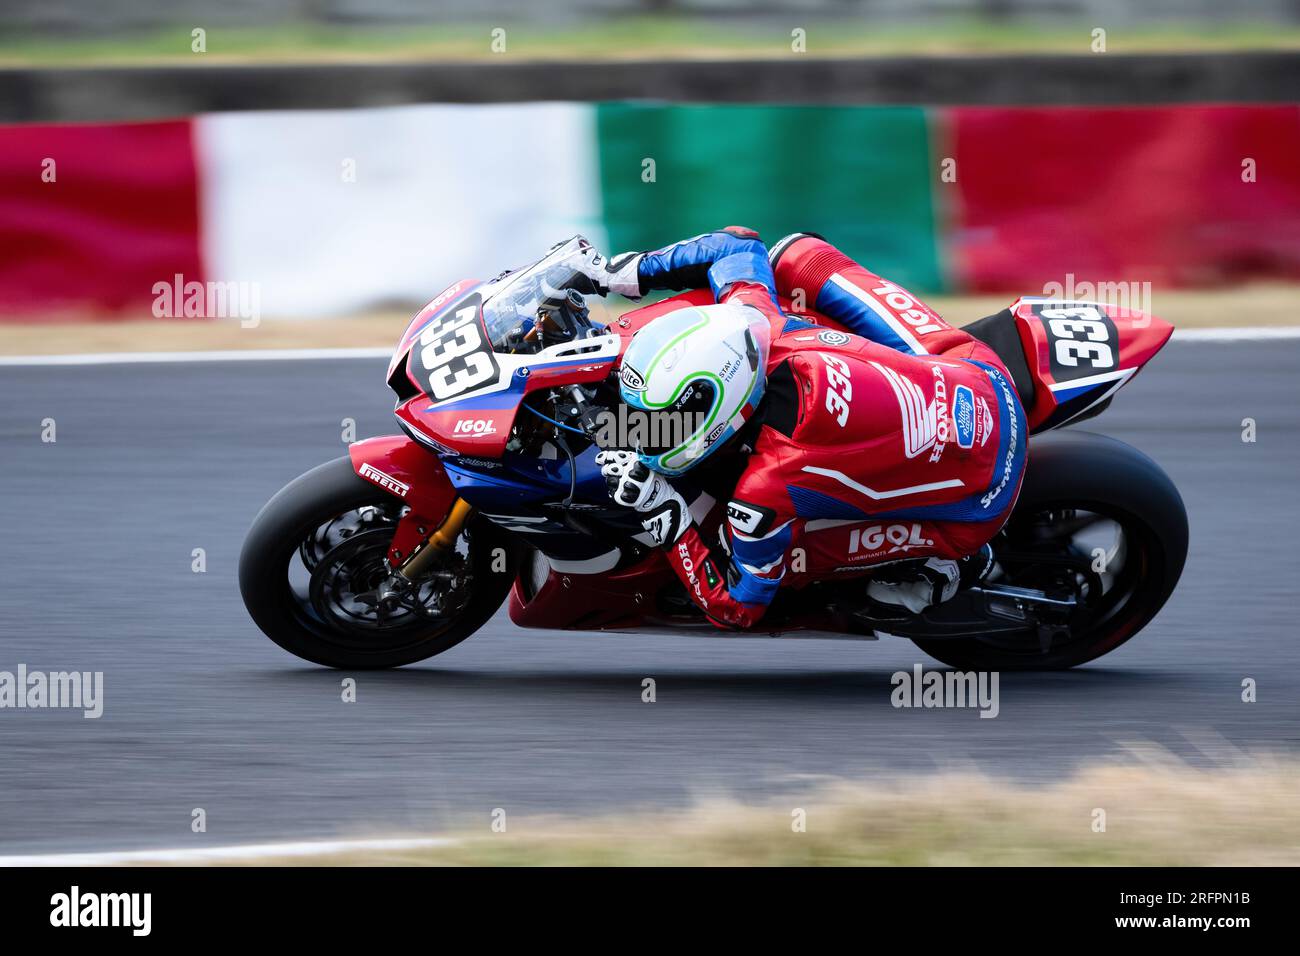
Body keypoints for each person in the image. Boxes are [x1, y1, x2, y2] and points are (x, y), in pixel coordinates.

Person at [567, 227, 1027, 629]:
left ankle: (943, 568)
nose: (641, 428)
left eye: (658, 420)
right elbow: (736, 243)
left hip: (981, 503)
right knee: (796, 253)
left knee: (782, 563)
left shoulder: (767, 486)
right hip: (979, 374)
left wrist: (661, 507)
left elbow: (738, 608)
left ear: (718, 412)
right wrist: (617, 274)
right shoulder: (756, 320)